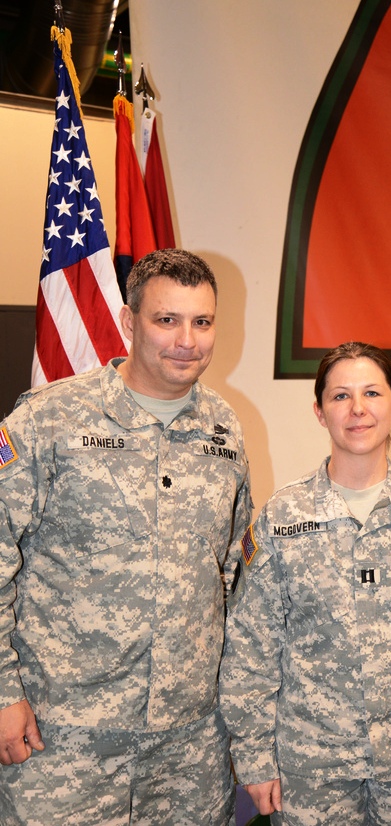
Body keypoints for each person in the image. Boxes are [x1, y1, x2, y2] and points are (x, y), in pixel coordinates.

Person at [0, 249, 252, 825]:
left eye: (202, 322)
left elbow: (234, 573)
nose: (186, 340)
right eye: (167, 320)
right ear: (127, 321)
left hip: (187, 743)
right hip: (63, 737)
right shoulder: (49, 420)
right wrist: (2, 695)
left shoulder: (223, 428)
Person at [221, 342, 391, 826]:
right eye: (340, 396)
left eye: (372, 393)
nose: (358, 409)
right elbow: (251, 648)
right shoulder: (283, 518)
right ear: (320, 413)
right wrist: (255, 755)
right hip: (313, 765)